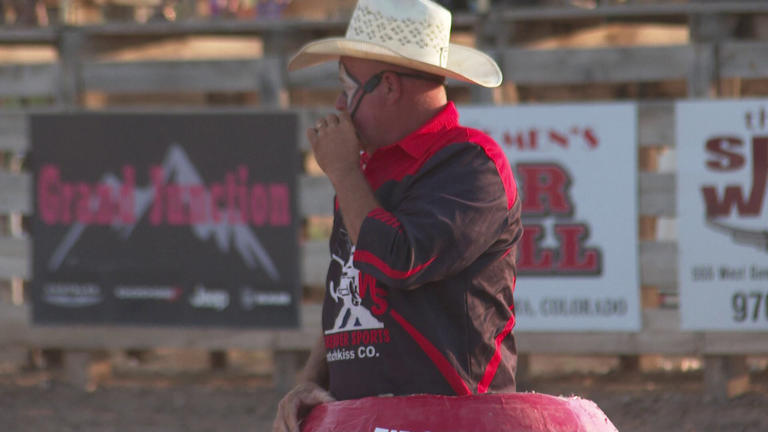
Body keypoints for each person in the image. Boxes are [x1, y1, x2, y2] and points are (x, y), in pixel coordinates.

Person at [273, 0, 522, 430]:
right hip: (366, 419)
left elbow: (396, 260)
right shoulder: (364, 170)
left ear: (388, 87)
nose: (338, 103)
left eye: (348, 88)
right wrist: (310, 383)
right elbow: (347, 289)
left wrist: (346, 172)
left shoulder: (472, 164)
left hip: (454, 421)